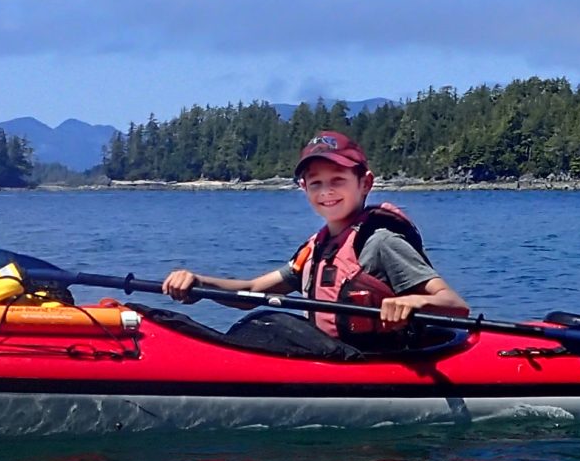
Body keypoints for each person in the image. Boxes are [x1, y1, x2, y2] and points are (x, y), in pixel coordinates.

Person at [162, 130, 468, 352]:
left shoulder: (382, 243)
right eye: (315, 184)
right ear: (304, 188)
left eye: (338, 181)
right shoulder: (315, 249)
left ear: (365, 184)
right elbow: (253, 292)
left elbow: (454, 306)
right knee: (265, 320)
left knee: (274, 324)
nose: (326, 192)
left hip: (379, 361)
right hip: (330, 358)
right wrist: (199, 284)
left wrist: (413, 301)